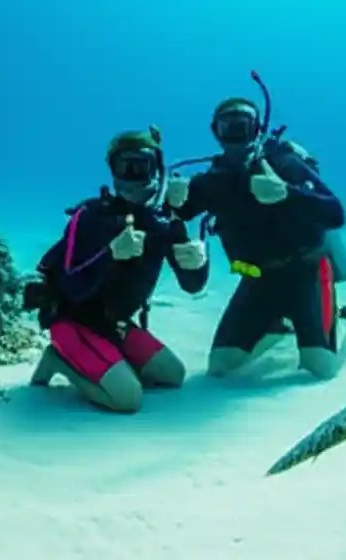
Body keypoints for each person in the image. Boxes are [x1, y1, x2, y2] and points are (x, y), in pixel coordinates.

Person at [25, 126, 210, 413]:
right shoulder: (91, 217)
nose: (133, 176)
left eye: (141, 166)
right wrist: (110, 254)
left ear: (157, 168)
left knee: (173, 376)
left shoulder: (165, 222)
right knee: (128, 399)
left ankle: (109, 363)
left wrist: (199, 261)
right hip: (74, 323)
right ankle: (58, 360)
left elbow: (193, 285)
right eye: (124, 166)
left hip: (118, 325)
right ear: (112, 170)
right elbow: (70, 286)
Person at [165, 95, 346, 380]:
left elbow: (335, 213)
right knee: (220, 366)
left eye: (244, 125)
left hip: (304, 273)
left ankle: (333, 316)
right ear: (216, 132)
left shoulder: (284, 164)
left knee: (320, 368)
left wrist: (289, 192)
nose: (236, 134)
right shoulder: (213, 182)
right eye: (229, 126)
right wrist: (171, 199)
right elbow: (173, 215)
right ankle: (275, 324)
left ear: (258, 129)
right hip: (257, 280)